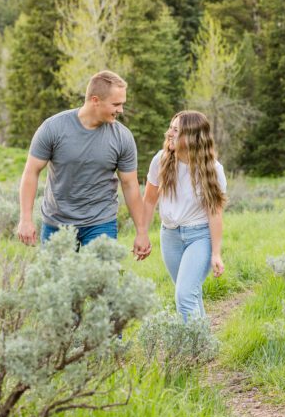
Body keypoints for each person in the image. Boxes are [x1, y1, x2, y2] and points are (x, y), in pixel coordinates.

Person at [17, 70, 145, 257]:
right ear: (95, 100)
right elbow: (31, 172)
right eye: (116, 104)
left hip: (101, 222)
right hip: (57, 222)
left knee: (100, 284)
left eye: (122, 104)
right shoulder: (53, 128)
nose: (121, 110)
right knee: (56, 284)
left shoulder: (122, 137)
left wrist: (141, 231)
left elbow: (130, 185)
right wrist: (25, 219)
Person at [134, 110, 226, 320]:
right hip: (170, 237)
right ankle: (203, 345)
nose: (170, 133)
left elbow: (215, 212)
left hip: (200, 236)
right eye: (171, 128)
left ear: (192, 136)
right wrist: (143, 233)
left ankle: (194, 350)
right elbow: (149, 200)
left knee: (184, 296)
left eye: (176, 130)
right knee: (190, 293)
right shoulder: (161, 160)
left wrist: (216, 253)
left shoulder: (213, 169)